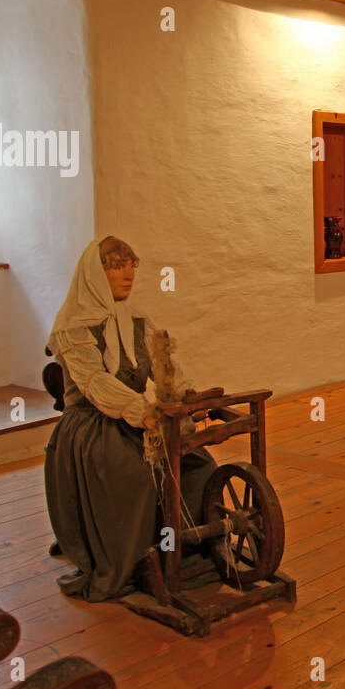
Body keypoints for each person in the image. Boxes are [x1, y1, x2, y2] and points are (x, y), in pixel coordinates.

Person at [44, 236, 217, 601]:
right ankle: (135, 559)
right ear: (94, 274)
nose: (127, 274)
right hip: (93, 425)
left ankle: (190, 548)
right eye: (116, 265)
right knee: (135, 473)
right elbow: (94, 383)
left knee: (198, 462)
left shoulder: (137, 320)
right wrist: (143, 412)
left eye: (130, 265)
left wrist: (186, 394)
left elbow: (163, 364)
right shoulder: (72, 327)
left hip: (139, 416)